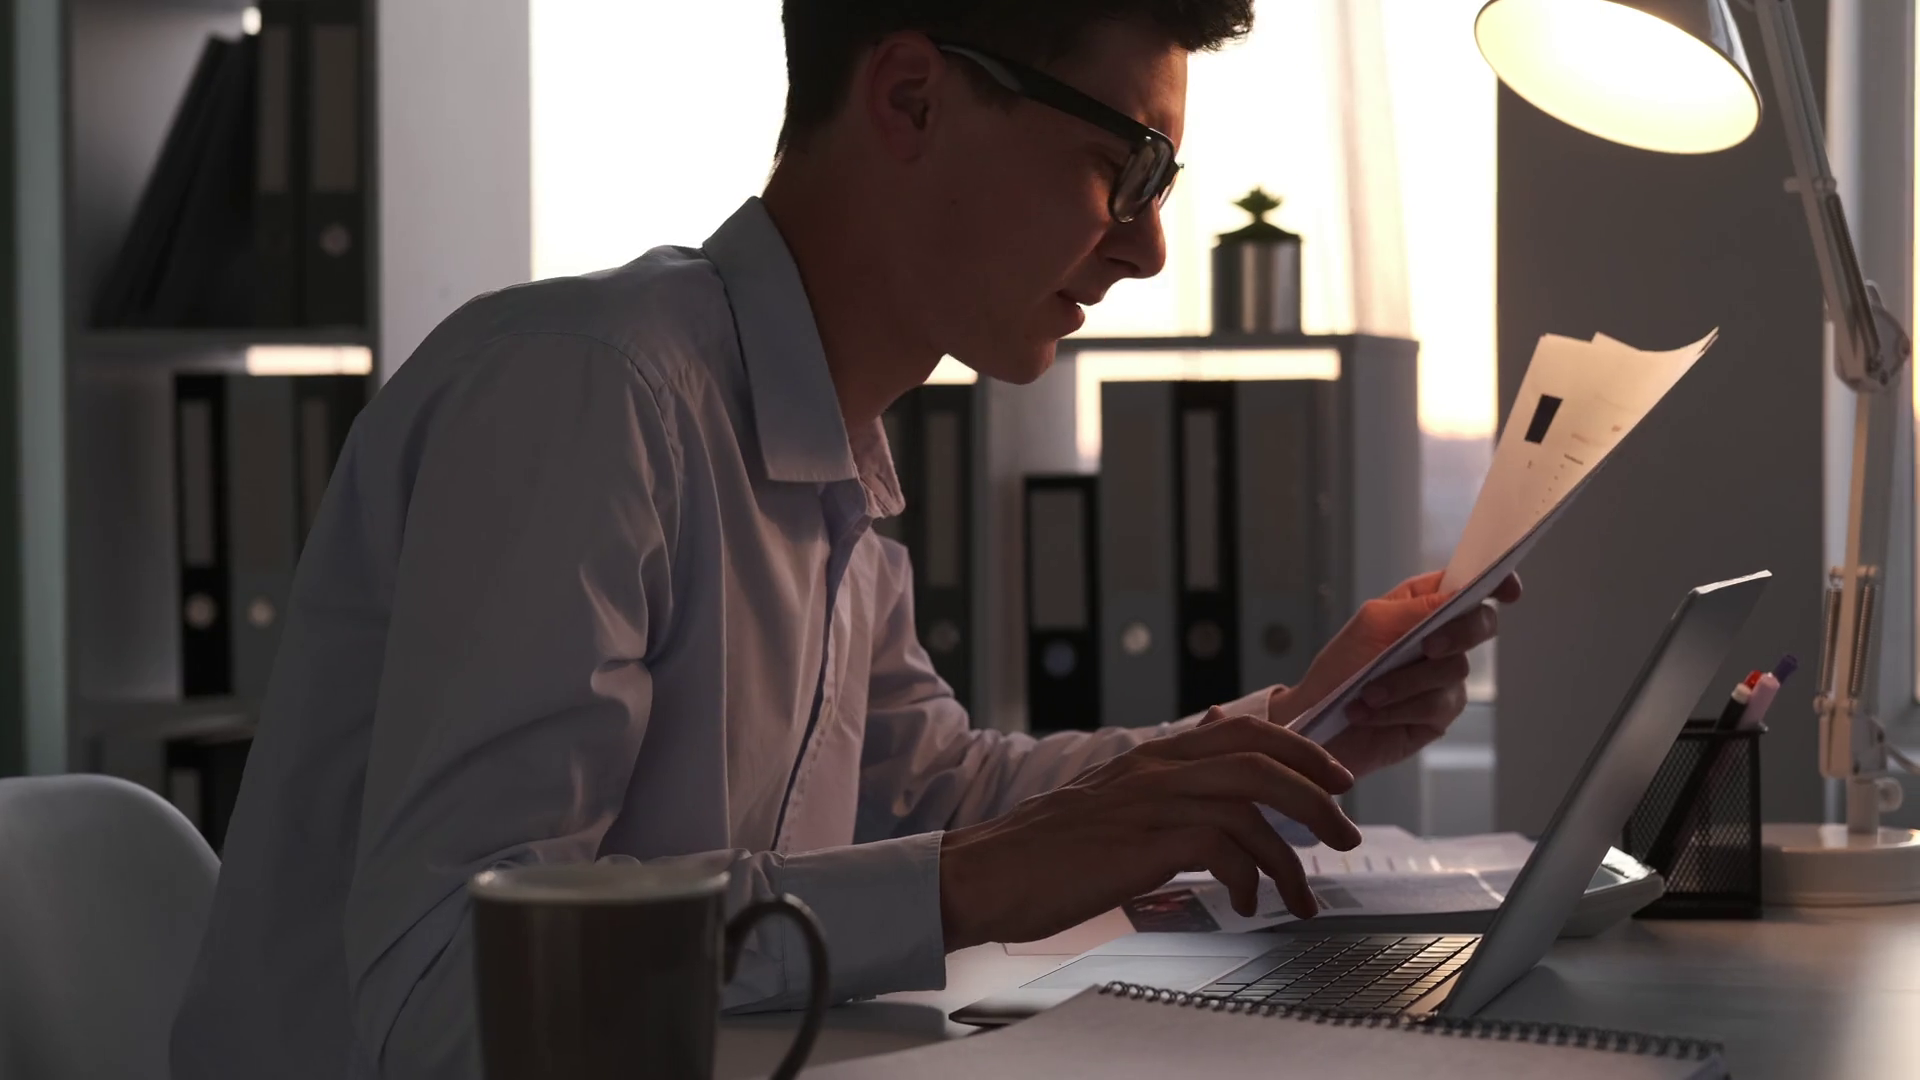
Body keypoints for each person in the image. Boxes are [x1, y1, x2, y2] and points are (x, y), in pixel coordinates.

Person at [171, 2, 1518, 1076]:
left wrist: (1297, 728)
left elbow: (932, 797)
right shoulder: (592, 396)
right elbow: (450, 993)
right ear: (912, 97)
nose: (1151, 246)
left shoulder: (830, 454)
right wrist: (971, 883)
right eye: (1128, 165)